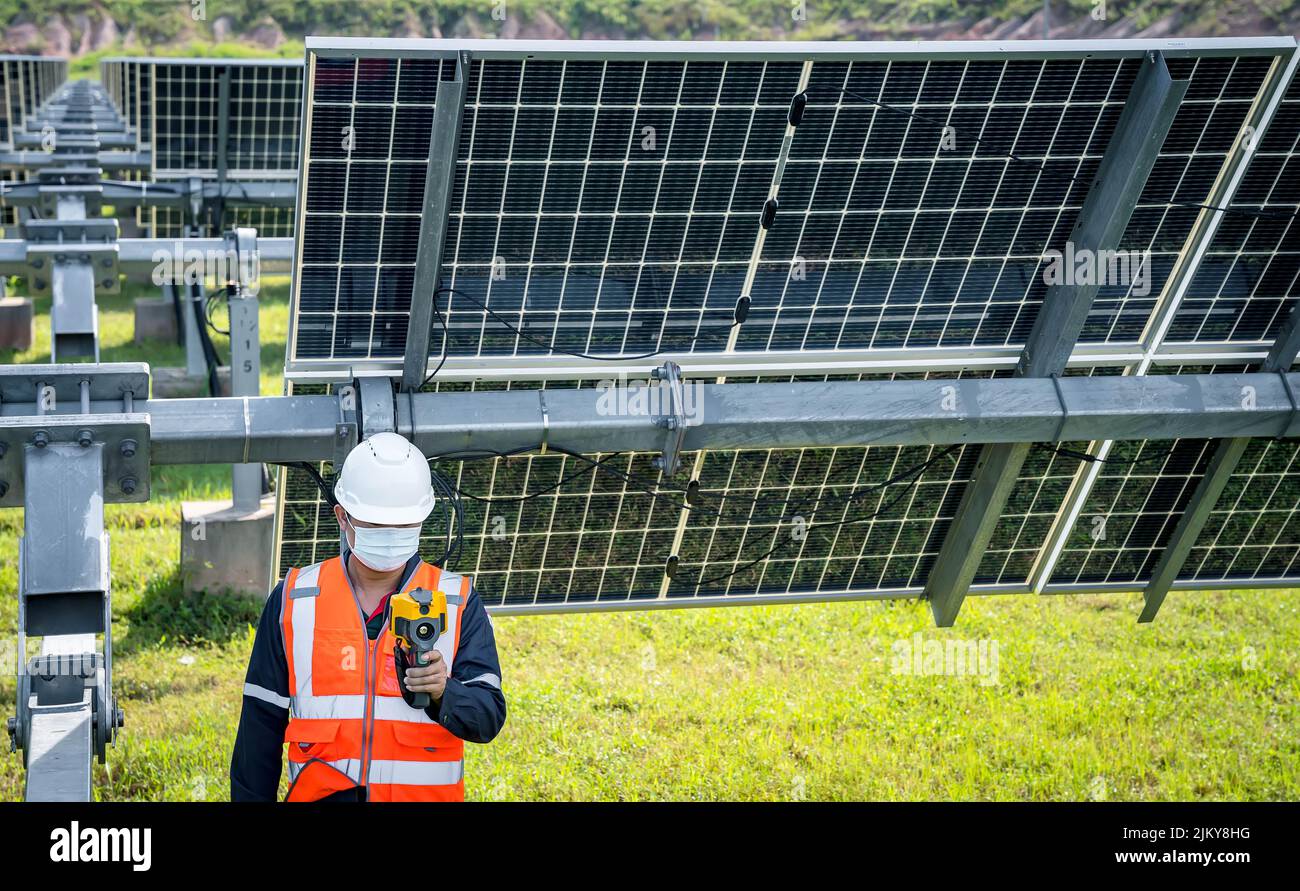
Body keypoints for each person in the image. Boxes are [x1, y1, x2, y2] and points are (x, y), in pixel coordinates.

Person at [230, 432, 505, 801]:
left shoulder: (457, 601)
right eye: (375, 523)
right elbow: (259, 728)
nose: (390, 534)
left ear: (422, 520)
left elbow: (487, 719)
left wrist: (444, 691)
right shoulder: (294, 599)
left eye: (403, 524)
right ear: (342, 517)